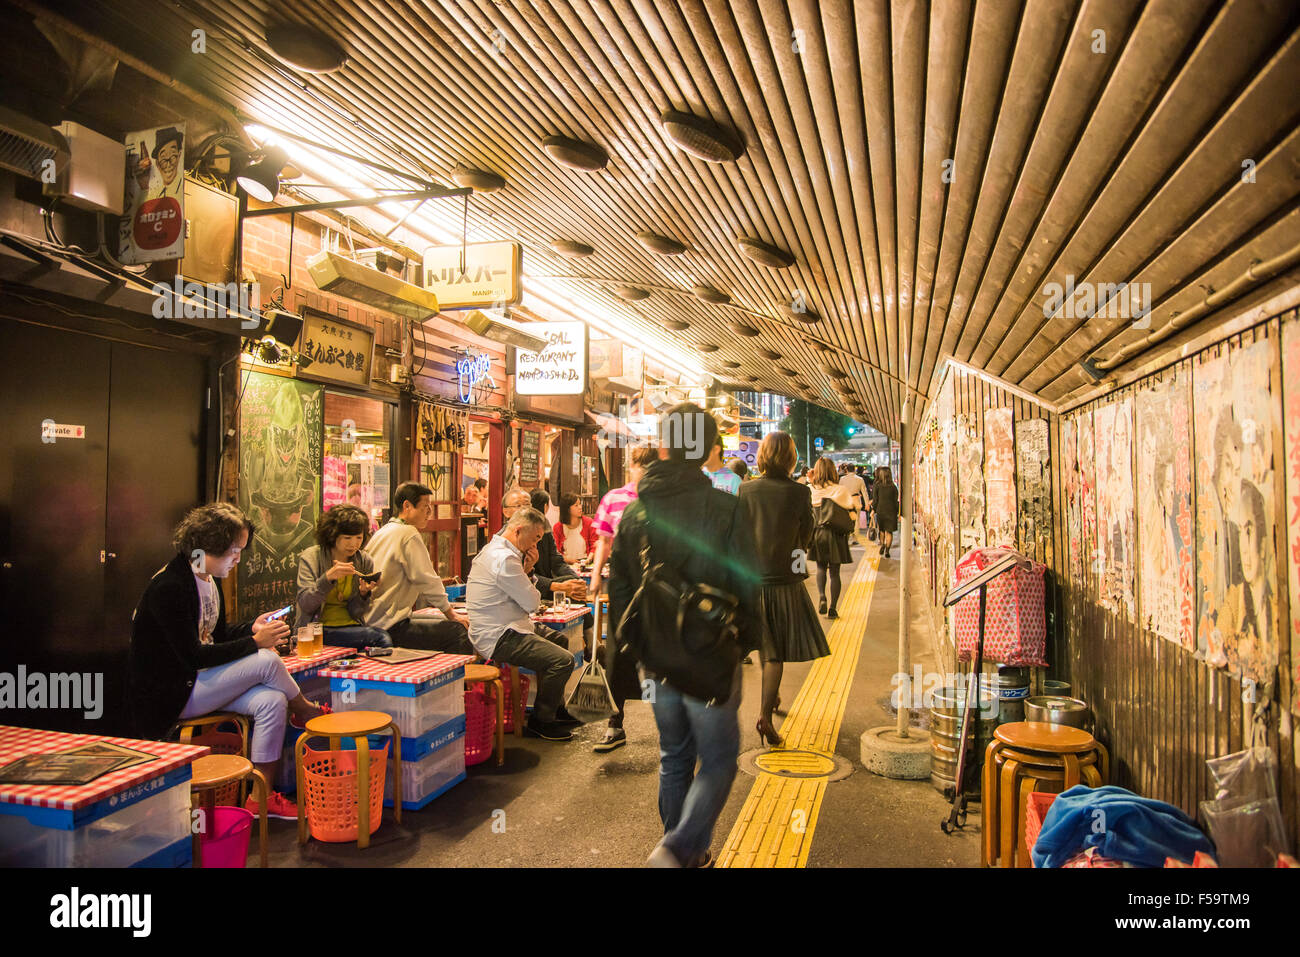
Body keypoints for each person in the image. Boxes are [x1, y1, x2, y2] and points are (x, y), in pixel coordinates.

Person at [609, 403, 760, 867]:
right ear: (709, 449)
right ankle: (678, 848)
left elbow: (620, 590)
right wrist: (744, 642)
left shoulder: (635, 514)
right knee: (718, 760)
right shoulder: (726, 507)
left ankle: (683, 854)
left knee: (675, 755)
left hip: (656, 659)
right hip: (710, 658)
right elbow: (750, 583)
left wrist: (633, 652)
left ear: (663, 445)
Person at [128, 503, 326, 820]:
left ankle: (260, 798)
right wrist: (254, 643)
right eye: (234, 551)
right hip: (172, 693)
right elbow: (193, 654)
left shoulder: (208, 578)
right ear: (206, 547)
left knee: (273, 700)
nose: (238, 559)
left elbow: (215, 637)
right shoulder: (170, 587)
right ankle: (304, 711)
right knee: (266, 660)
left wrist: (251, 628)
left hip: (202, 682)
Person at [740, 432, 829, 747]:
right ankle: (764, 715)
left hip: (751, 580)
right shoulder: (799, 492)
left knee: (767, 644)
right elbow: (807, 533)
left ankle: (771, 695)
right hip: (785, 580)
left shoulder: (745, 489)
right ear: (791, 458)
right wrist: (794, 554)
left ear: (762, 456)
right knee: (775, 651)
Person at [466, 508, 581, 740]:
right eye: (535, 538)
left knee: (559, 639)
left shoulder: (500, 551)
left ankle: (555, 709)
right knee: (562, 661)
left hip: (512, 625)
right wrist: (528, 570)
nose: (535, 545)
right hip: (499, 635)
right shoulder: (504, 558)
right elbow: (531, 603)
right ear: (518, 530)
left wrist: (528, 570)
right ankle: (541, 721)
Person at [588, 443, 659, 753]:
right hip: (622, 587)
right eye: (637, 466)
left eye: (647, 467)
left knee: (658, 655)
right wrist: (595, 576)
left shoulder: (663, 501)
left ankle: (669, 726)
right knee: (617, 655)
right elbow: (603, 542)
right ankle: (615, 724)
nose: (641, 472)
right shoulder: (614, 498)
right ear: (630, 467)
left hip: (658, 587)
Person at [366, 482, 473, 653]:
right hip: (389, 625)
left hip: (375, 620)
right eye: (425, 507)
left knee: (443, 622)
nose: (429, 512)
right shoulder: (408, 533)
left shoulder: (384, 531)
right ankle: (458, 680)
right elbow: (426, 579)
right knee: (457, 632)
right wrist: (450, 613)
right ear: (407, 506)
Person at [296, 504, 390, 649]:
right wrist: (327, 579)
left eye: (359, 537)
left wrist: (363, 594)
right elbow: (306, 603)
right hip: (318, 631)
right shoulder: (312, 557)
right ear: (332, 535)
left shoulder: (364, 561)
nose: (354, 544)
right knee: (380, 637)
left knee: (379, 637)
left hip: (352, 628)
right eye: (347, 538)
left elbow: (357, 612)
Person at [808, 457, 855, 618]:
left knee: (821, 568)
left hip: (818, 533)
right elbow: (851, 510)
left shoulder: (811, 490)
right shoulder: (840, 490)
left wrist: (811, 481)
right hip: (836, 535)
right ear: (833, 471)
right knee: (835, 572)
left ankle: (822, 597)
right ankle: (833, 608)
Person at [554, 491, 597, 564]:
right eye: (576, 505)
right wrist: (568, 560)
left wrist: (588, 560)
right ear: (567, 509)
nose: (580, 507)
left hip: (586, 562)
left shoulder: (589, 523)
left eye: (580, 504)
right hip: (565, 565)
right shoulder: (558, 527)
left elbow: (594, 545)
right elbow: (556, 551)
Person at [839, 462, 869, 545]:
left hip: (845, 501)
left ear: (846, 470)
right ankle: (855, 539)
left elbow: (839, 491)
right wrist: (867, 504)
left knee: (846, 519)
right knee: (856, 520)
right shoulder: (859, 479)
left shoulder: (842, 479)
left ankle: (846, 536)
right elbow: (864, 492)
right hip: (856, 500)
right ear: (854, 469)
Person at [874, 467, 900, 559]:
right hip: (891, 511)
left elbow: (875, 500)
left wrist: (873, 509)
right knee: (889, 532)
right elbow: (896, 501)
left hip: (881, 510)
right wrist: (898, 512)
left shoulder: (877, 485)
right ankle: (887, 551)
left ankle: (882, 544)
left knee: (882, 531)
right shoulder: (893, 487)